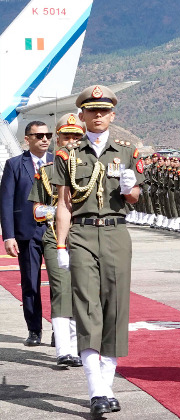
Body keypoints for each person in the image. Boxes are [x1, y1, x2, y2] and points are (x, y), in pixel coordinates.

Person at [52, 85, 144, 416]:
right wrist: (61, 243)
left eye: (104, 110)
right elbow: (63, 203)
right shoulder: (68, 155)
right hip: (82, 233)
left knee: (116, 307)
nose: (99, 115)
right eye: (92, 110)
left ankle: (108, 383)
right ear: (83, 115)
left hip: (117, 232)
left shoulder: (128, 152)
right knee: (87, 306)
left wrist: (130, 188)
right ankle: (96, 389)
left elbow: (134, 199)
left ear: (113, 115)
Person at [28, 114, 84, 366]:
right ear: (57, 139)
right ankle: (64, 348)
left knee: (84, 291)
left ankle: (83, 345)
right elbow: (37, 210)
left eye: (77, 136)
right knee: (62, 290)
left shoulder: (94, 167)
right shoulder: (47, 172)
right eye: (66, 136)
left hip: (87, 237)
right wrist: (62, 213)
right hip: (55, 237)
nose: (71, 141)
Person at [0, 121, 53, 347]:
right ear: (27, 139)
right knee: (30, 283)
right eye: (38, 135)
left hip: (54, 232)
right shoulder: (14, 164)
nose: (44, 139)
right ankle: (34, 329)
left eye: (47, 135)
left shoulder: (58, 161)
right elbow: (6, 201)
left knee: (59, 284)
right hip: (26, 233)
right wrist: (8, 235)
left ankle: (60, 331)